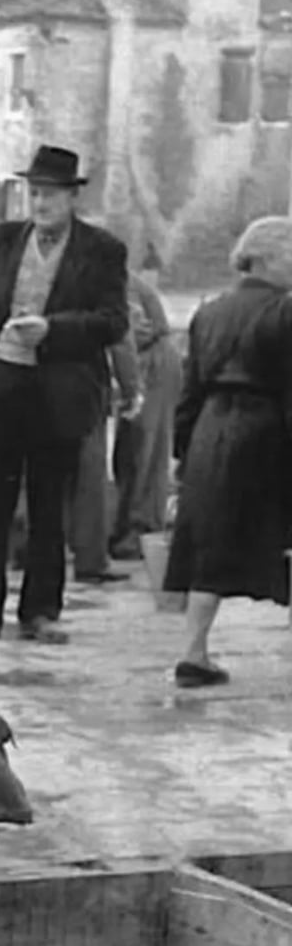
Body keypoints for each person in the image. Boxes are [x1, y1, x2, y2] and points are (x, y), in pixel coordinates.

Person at [0, 145, 129, 645]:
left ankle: (41, 611)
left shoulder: (102, 250)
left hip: (59, 394)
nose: (40, 203)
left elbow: (113, 322)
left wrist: (53, 329)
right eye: (35, 193)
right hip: (0, 389)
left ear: (72, 198)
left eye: (50, 195)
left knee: (49, 506)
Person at [164, 215, 292, 688]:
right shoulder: (285, 311)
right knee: (283, 537)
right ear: (269, 258)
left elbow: (189, 390)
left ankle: (193, 653)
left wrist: (182, 452)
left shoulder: (210, 312)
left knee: (209, 546)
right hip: (268, 431)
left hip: (210, 431)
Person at [110, 270, 181, 560]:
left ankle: (139, 532)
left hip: (151, 361)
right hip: (140, 358)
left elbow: (133, 331)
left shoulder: (109, 276)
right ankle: (127, 528)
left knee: (144, 451)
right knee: (130, 452)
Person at [67, 317, 141, 583]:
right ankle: (91, 560)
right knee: (89, 478)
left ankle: (28, 553)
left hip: (34, 383)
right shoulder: (102, 291)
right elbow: (120, 338)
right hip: (85, 386)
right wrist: (131, 388)